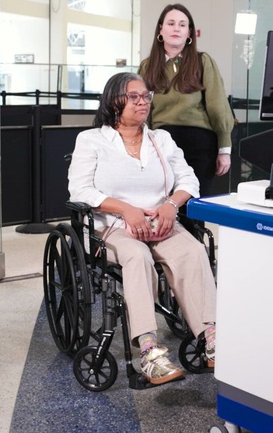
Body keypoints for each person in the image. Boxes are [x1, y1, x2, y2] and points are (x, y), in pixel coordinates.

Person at [68, 72, 217, 385]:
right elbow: (79, 191)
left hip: (160, 222)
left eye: (146, 96)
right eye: (133, 97)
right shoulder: (91, 140)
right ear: (114, 102)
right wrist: (126, 210)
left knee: (192, 250)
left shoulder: (160, 140)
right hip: (113, 227)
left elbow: (189, 180)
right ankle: (149, 352)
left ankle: (212, 338)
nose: (142, 102)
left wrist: (170, 206)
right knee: (137, 257)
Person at [139, 3, 234, 198]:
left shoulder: (203, 61)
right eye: (171, 23)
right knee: (163, 206)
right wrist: (142, 145)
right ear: (160, 29)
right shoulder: (147, 66)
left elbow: (218, 107)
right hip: (160, 143)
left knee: (194, 207)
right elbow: (142, 110)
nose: (176, 28)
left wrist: (224, 149)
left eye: (182, 25)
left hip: (199, 143)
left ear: (189, 32)